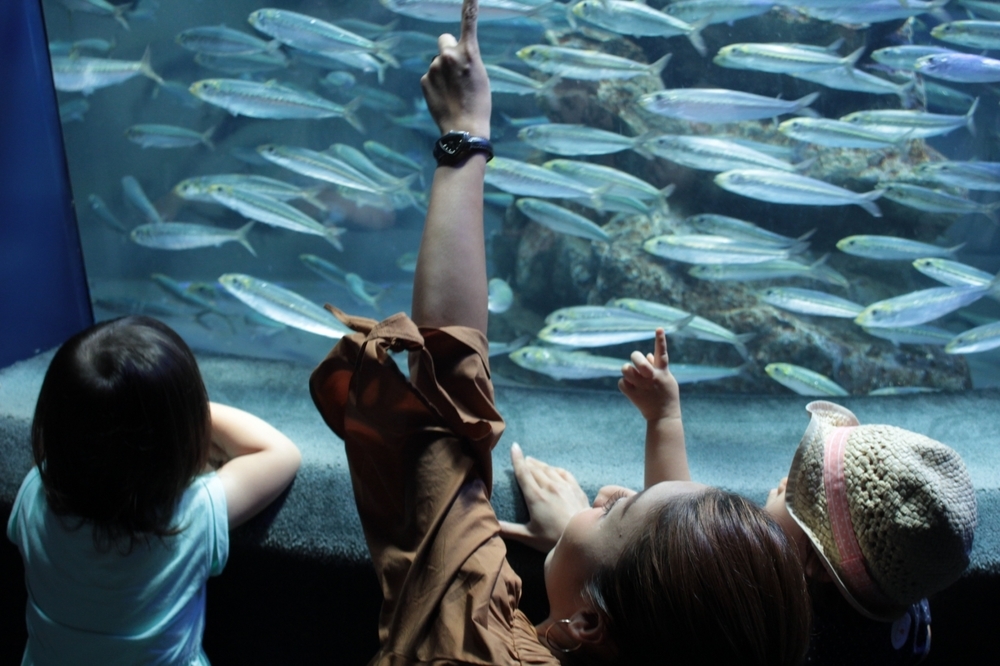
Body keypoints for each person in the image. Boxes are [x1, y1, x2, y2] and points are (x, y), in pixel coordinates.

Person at [308, 1, 812, 663]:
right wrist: (581, 547)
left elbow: (446, 389)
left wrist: (464, 136)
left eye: (616, 512)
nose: (608, 493)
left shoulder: (467, 638)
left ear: (589, 623)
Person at [6, 315, 302, 665]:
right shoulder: (192, 514)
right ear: (182, 434)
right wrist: (181, 413)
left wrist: (158, 414)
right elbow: (280, 453)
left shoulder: (33, 494)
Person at [763, 400, 977, 665]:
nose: (785, 482)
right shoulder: (904, 593)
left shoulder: (788, 635)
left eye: (798, 493)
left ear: (818, 567)